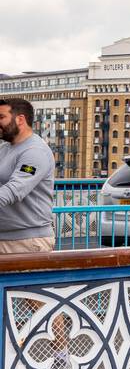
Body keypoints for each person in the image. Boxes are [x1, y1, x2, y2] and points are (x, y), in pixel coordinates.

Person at [0, 98, 55, 253]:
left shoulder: (35, 152)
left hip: (26, 243)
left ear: (20, 119)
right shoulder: (5, 149)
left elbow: (14, 190)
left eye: (1, 117)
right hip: (6, 239)